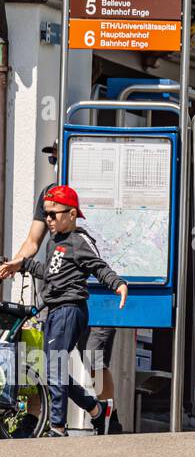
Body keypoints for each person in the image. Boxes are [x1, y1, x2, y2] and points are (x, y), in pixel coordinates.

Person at [2, 181, 121, 434]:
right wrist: (20, 265)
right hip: (55, 309)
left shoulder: (79, 240)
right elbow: (48, 272)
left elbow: (99, 267)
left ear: (72, 214)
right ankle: (96, 410)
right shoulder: (56, 243)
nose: (48, 219)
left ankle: (58, 425)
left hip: (70, 308)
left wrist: (118, 284)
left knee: (78, 363)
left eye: (52, 214)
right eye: (45, 214)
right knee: (50, 368)